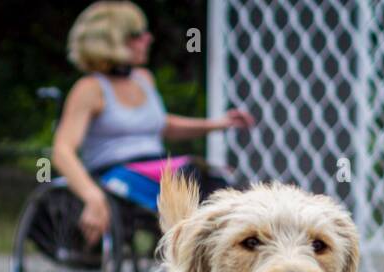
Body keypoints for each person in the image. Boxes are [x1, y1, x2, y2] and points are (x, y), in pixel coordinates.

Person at [51, 1, 254, 246]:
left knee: (217, 183)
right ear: (110, 41)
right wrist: (92, 196)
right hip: (115, 172)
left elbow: (162, 125)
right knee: (187, 180)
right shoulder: (90, 89)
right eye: (136, 35)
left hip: (154, 164)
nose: (147, 39)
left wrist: (218, 124)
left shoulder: (143, 79)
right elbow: (62, 150)